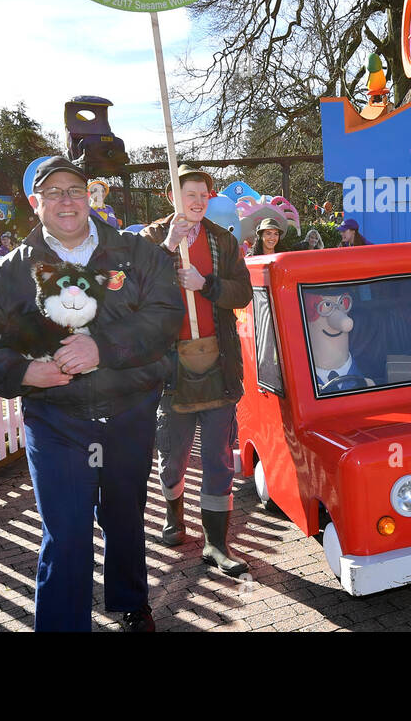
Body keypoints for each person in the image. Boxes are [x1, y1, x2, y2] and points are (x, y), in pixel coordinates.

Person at [0, 156, 185, 632]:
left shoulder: (135, 253)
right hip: (57, 421)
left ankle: (130, 601)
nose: (66, 200)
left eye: (75, 190)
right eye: (53, 192)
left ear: (90, 197)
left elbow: (164, 316)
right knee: (67, 531)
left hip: (128, 412)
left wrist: (104, 347)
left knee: (124, 517)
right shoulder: (13, 271)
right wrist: (23, 372)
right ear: (35, 203)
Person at [140, 164, 253, 575]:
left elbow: (241, 292)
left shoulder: (224, 241)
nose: (198, 201)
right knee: (173, 453)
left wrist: (205, 283)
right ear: (174, 197)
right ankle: (173, 517)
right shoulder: (152, 239)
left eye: (204, 194)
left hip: (219, 363)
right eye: (190, 194)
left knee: (219, 457)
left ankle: (217, 544)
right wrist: (167, 250)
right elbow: (132, 287)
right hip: (171, 369)